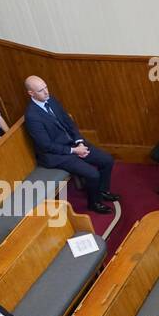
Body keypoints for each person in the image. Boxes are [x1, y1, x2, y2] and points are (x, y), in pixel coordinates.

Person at [23, 76, 118, 214]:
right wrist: (74, 151)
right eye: (40, 90)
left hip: (73, 144)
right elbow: (46, 145)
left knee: (107, 160)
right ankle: (94, 203)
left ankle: (102, 191)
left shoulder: (51, 100)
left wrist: (79, 141)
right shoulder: (32, 116)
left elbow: (68, 122)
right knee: (93, 174)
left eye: (46, 87)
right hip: (56, 154)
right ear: (31, 93)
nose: (46, 92)